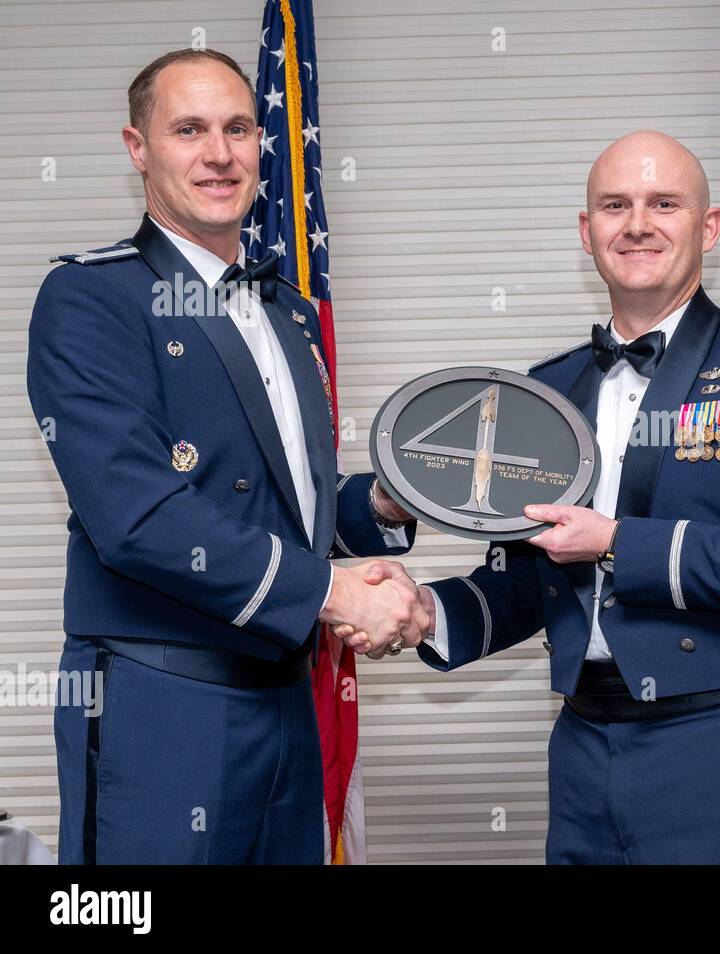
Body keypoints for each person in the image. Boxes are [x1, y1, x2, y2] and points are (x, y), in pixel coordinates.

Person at [343, 130, 720, 864]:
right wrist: (427, 615)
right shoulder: (547, 389)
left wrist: (615, 541)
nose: (637, 224)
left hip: (718, 745)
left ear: (707, 227)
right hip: (581, 745)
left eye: (663, 203)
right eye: (615, 205)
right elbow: (524, 583)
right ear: (587, 232)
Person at [27, 48, 429, 864]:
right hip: (159, 704)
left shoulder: (290, 314)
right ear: (139, 147)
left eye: (238, 128)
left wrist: (383, 502)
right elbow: (138, 517)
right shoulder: (91, 298)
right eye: (190, 129)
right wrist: (332, 591)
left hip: (284, 701)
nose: (220, 153)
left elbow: (278, 507)